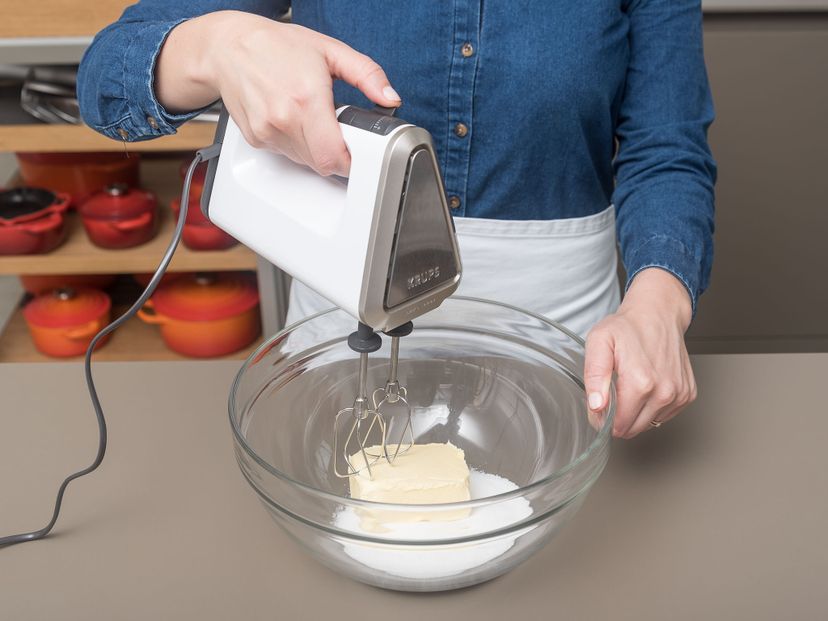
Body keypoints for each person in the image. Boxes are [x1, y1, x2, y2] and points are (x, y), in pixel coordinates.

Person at [78, 1, 716, 439]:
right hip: (340, 333)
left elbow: (667, 150)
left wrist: (660, 300)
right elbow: (104, 80)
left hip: (565, 346)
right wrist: (214, 45)